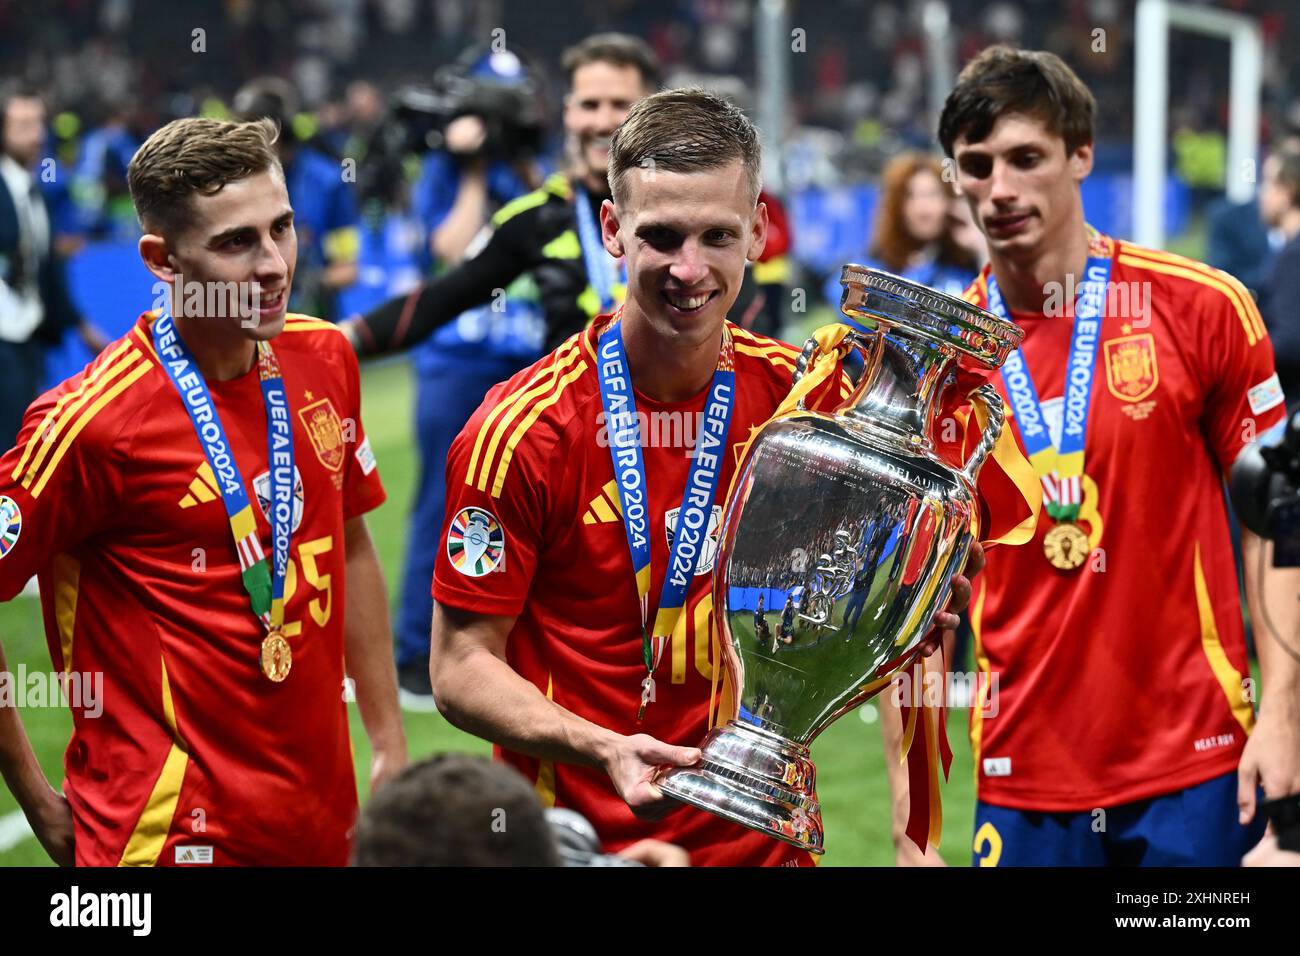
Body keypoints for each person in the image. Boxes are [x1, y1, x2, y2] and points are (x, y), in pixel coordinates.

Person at [427, 88, 1024, 866]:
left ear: (759, 234)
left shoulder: (807, 405)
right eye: (662, 235)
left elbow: (856, 620)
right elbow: (459, 665)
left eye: (718, 235)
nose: (689, 269)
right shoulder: (524, 431)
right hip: (590, 846)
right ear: (613, 230)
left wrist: (904, 602)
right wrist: (604, 746)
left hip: (767, 846)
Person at [889, 45, 1300, 867]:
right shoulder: (936, 366)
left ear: (1081, 155)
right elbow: (914, 606)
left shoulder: (1203, 308)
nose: (999, 188)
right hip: (1022, 775)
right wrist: (913, 822)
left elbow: (1277, 527)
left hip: (1200, 760)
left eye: (1025, 158)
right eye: (976, 165)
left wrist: (1284, 719)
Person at [0, 116, 407, 866]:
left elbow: (348, 544)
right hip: (163, 838)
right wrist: (31, 789)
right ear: (161, 258)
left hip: (322, 823)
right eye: (235, 243)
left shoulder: (323, 356)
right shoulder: (91, 425)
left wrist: (388, 744)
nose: (274, 265)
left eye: (281, 228)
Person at [344, 34, 662, 707]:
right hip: (579, 457)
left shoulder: (682, 217)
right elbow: (442, 298)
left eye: (620, 103)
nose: (602, 119)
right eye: (589, 103)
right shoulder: (534, 217)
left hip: (678, 443)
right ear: (567, 113)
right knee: (565, 651)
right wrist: (336, 341)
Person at [0, 84, 106, 448]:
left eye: (39, 124)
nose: (38, 135)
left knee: (22, 438)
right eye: (24, 125)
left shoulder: (35, 192)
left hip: (28, 337)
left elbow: (47, 269)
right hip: (3, 337)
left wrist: (80, 325)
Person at [233, 78, 360, 323]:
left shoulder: (328, 183)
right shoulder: (232, 183)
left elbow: (347, 269)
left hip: (310, 322)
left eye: (250, 133)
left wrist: (312, 280)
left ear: (278, 131)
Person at [826, 151, 979, 311]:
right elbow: (842, 299)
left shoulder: (966, 269)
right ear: (896, 207)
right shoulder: (875, 265)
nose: (923, 209)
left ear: (949, 202)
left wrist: (980, 249)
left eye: (933, 195)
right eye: (911, 196)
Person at [1257, 143, 1300, 403]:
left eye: (1268, 183)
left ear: (1287, 192)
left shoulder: (1294, 256)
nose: (1262, 194)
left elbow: (1290, 340)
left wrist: (1237, 359)